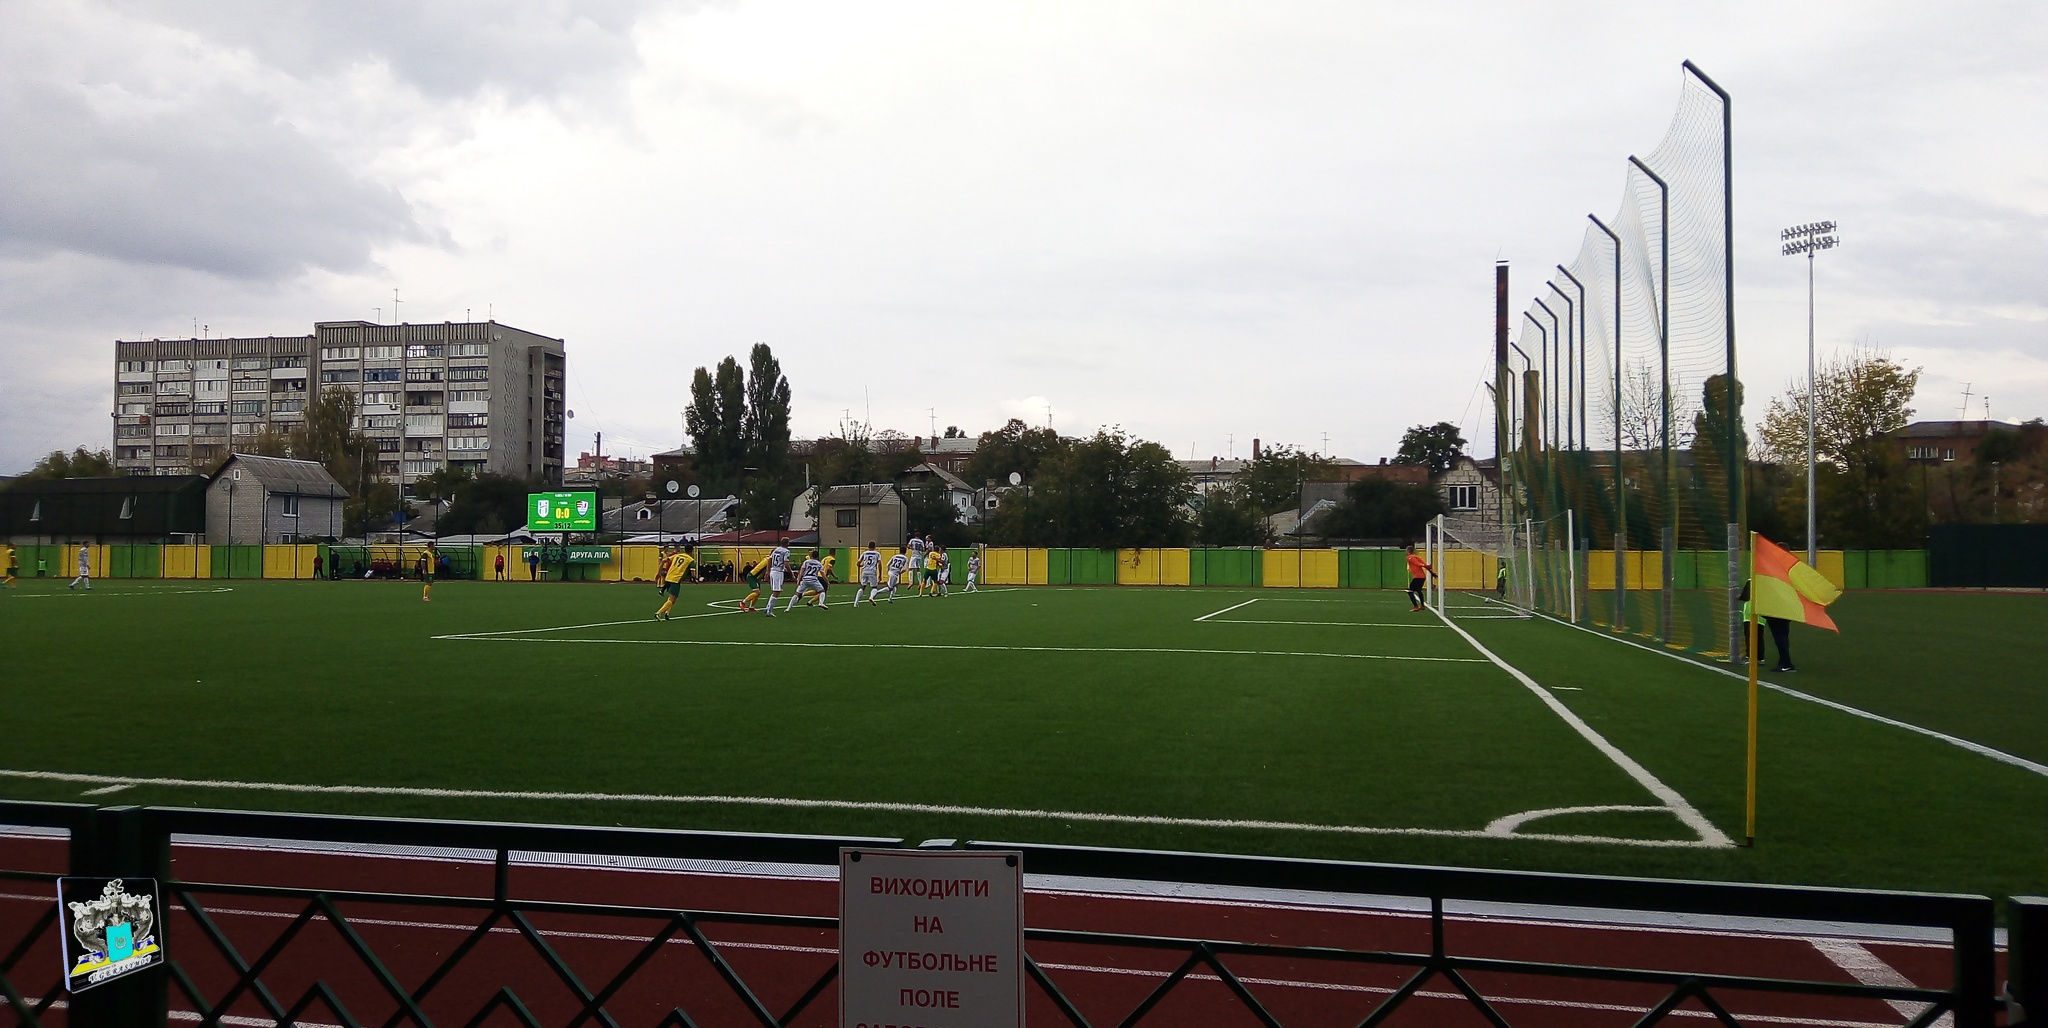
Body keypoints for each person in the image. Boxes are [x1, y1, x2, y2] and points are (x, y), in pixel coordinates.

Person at [655, 544, 696, 620]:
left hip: (668, 577)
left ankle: (667, 613)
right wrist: (695, 579)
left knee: (672, 597)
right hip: (675, 580)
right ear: (692, 550)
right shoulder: (691, 560)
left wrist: (658, 573)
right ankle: (659, 613)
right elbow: (693, 574)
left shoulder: (677, 555)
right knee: (673, 598)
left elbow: (663, 561)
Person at [762, 544, 792, 616]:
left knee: (775, 591)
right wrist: (791, 573)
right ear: (787, 543)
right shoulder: (786, 551)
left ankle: (768, 608)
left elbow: (769, 559)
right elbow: (786, 564)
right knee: (777, 592)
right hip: (778, 572)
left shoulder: (776, 549)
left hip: (773, 571)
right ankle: (769, 611)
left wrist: (768, 571)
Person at [1404, 544, 1435, 612]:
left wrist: (1424, 565)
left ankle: (1416, 606)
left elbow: (1417, 563)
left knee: (1410, 591)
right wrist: (1432, 573)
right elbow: (1425, 566)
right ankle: (1422, 606)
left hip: (1418, 577)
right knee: (1418, 590)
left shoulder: (1410, 557)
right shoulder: (1416, 557)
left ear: (1408, 551)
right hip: (1422, 577)